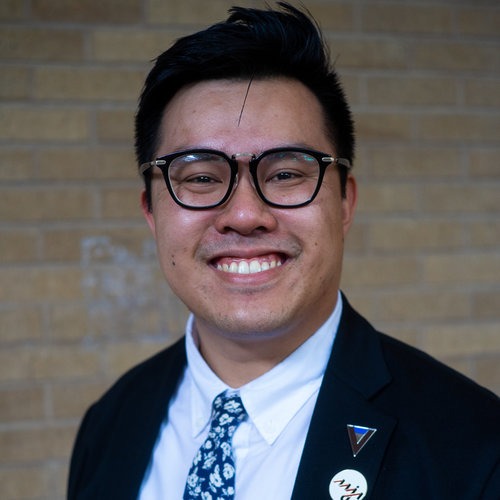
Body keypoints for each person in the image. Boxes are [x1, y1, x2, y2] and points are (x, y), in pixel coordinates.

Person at [68, 3, 500, 499]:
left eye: (287, 174)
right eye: (202, 177)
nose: (245, 214)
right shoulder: (111, 422)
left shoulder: (474, 448)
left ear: (344, 203)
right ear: (151, 211)